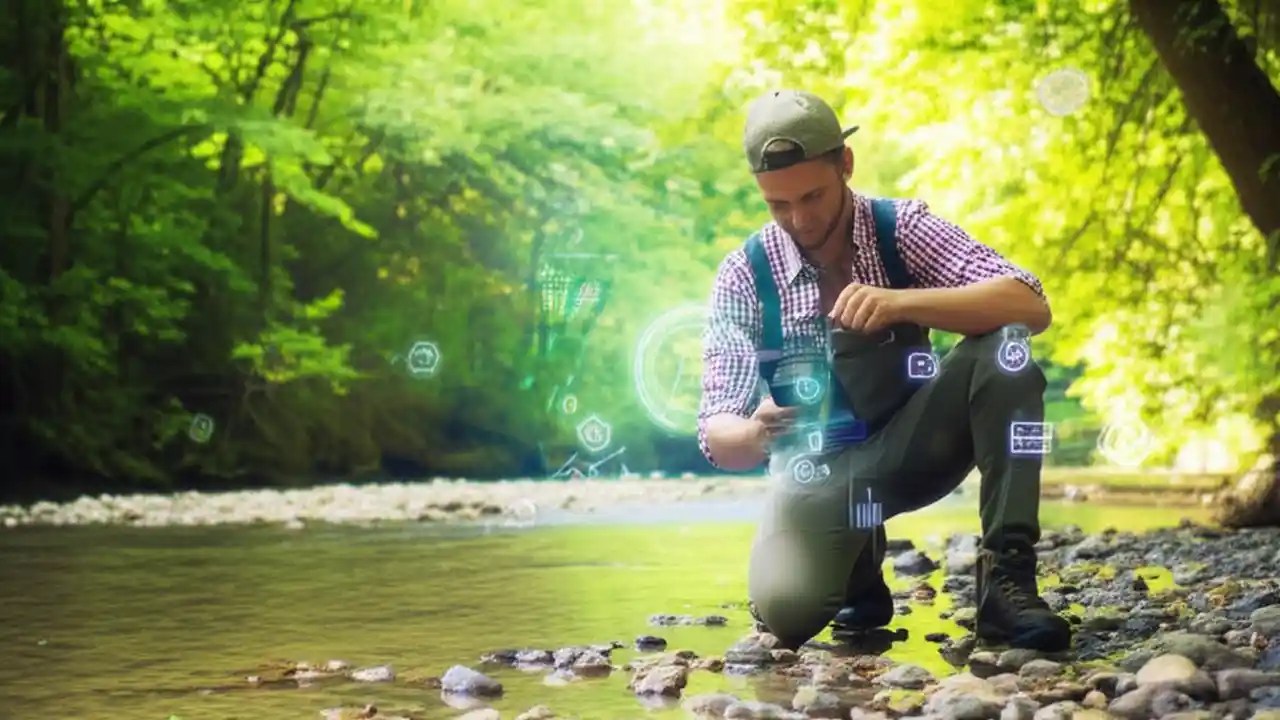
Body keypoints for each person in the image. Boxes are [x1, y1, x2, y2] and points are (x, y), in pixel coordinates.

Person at [696, 89, 1071, 652]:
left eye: (813, 195)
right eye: (778, 205)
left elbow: (1028, 304)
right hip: (821, 476)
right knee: (786, 614)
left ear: (845, 164)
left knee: (1004, 349)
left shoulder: (902, 228)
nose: (799, 219)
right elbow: (716, 434)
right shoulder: (744, 275)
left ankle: (1007, 582)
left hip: (918, 445)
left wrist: (902, 303)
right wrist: (753, 431)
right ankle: (857, 575)